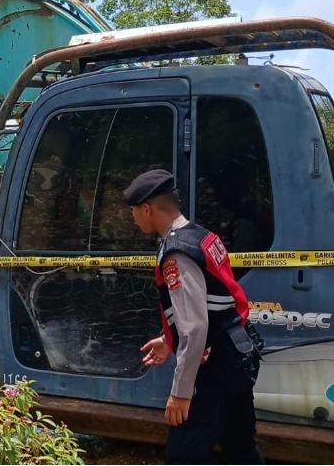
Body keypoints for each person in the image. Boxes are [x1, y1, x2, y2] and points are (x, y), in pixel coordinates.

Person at [123, 169, 264, 465]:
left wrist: (181, 393)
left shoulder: (176, 254)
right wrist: (168, 339)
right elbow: (213, 304)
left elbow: (196, 327)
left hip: (214, 367)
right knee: (241, 447)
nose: (134, 218)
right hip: (237, 354)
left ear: (147, 209)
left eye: (134, 211)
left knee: (183, 454)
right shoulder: (200, 236)